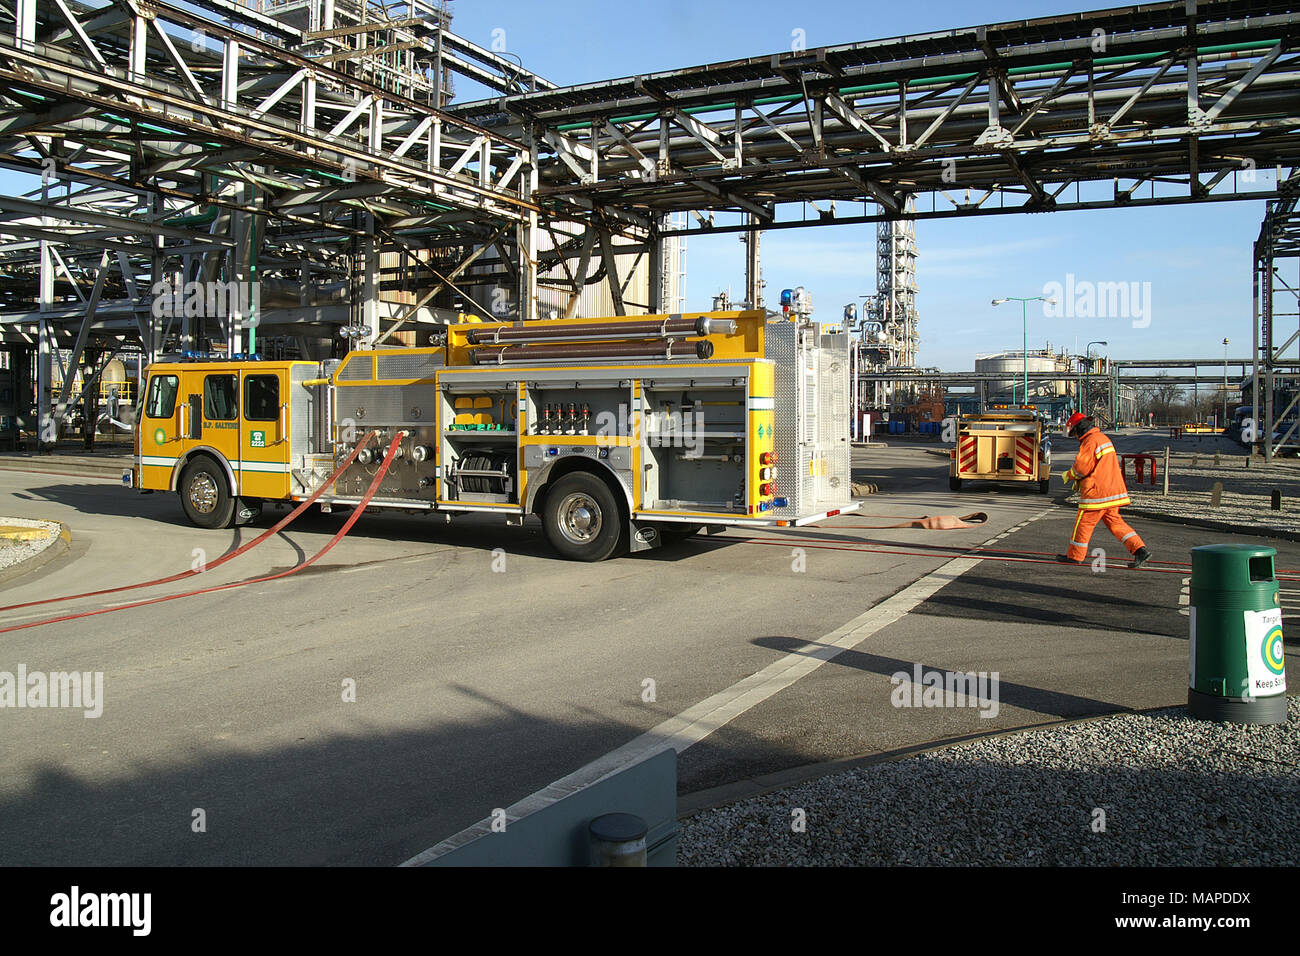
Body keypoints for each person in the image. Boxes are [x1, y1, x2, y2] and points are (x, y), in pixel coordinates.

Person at [1056, 412, 1151, 569]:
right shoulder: (1102, 439)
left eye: (1074, 433)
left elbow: (1082, 468)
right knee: (1116, 523)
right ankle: (1140, 550)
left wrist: (1069, 475)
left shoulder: (1090, 442)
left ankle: (1075, 556)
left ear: (1079, 429)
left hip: (1097, 493)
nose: (1074, 437)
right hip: (1112, 491)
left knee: (1084, 523)